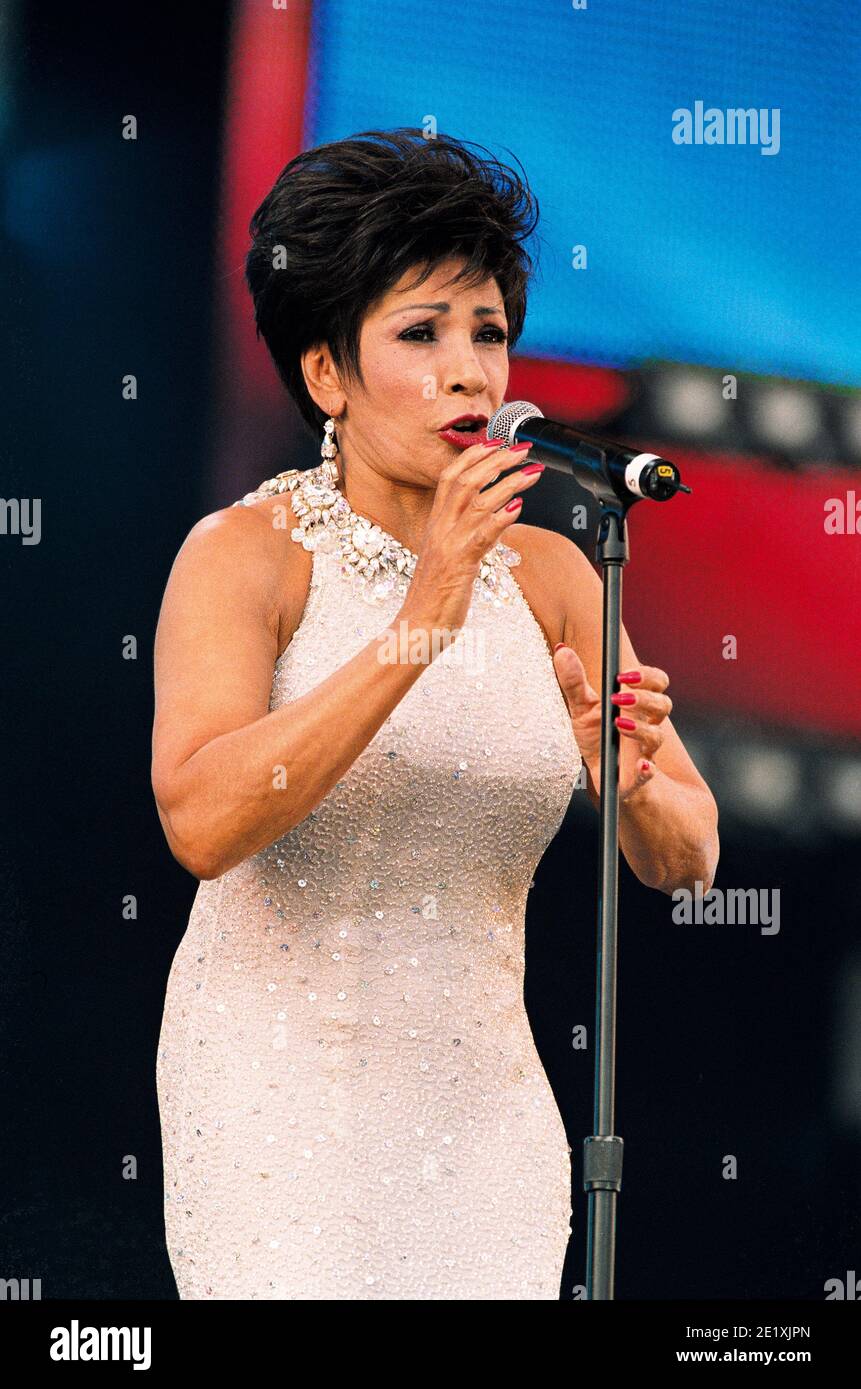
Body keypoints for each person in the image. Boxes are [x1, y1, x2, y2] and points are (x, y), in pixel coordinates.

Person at [151, 128, 719, 1300]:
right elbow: (201, 822)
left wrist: (628, 770)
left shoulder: (560, 573)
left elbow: (691, 859)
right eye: (421, 334)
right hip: (277, 1102)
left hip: (483, 1114)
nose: (473, 372)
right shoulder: (247, 556)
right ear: (325, 374)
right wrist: (422, 616)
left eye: (490, 334)